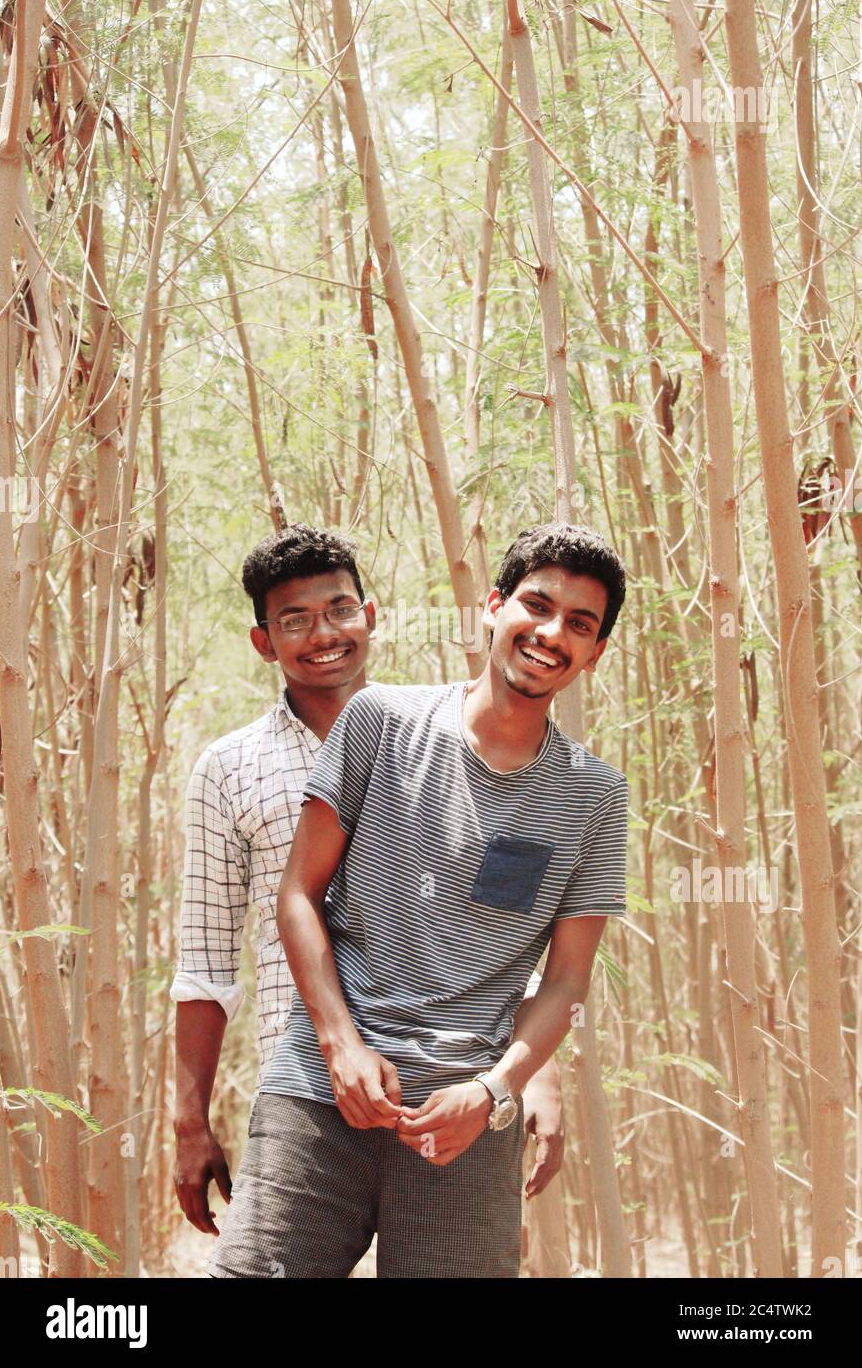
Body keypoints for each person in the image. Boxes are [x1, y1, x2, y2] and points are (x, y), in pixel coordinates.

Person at [207, 522, 628, 1279]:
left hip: (464, 1126)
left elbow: (566, 980)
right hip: (317, 1096)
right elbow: (297, 894)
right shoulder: (381, 723)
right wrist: (342, 1047)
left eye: (580, 623)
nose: (551, 632)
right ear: (494, 607)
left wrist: (497, 1092)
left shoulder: (593, 797)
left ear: (595, 653)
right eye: (537, 604)